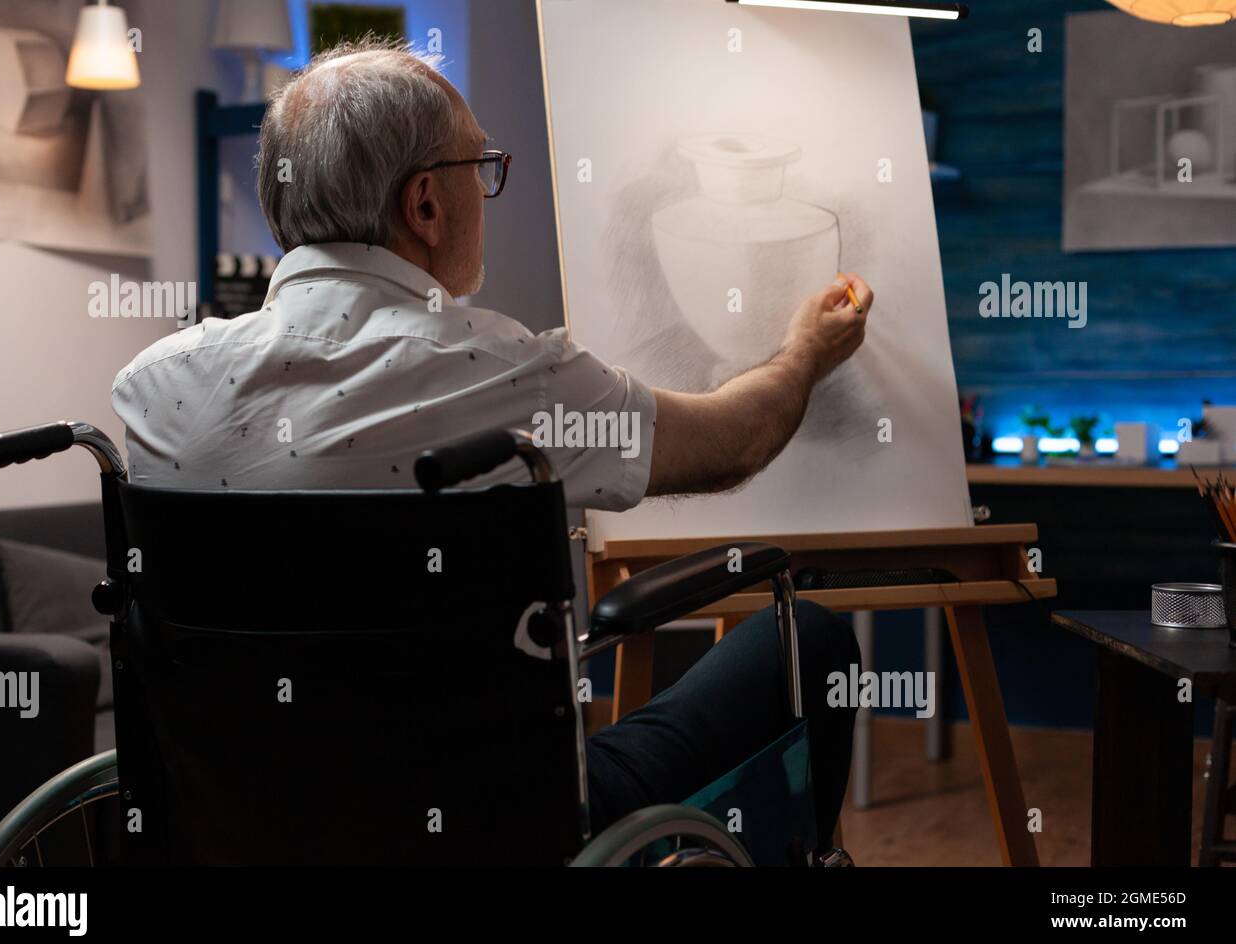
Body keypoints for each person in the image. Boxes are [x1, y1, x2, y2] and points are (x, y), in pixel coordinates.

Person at [112, 38, 871, 853]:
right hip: (492, 824)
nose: (488, 190)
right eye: (483, 167)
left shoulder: (157, 389)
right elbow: (734, 440)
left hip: (242, 821)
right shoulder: (505, 377)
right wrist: (805, 352)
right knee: (814, 639)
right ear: (426, 205)